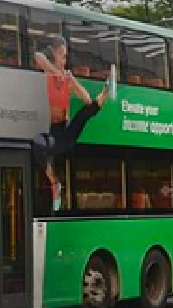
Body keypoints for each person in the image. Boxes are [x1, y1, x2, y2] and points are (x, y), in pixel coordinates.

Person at [33, 37, 117, 211]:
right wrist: (54, 72)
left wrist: (73, 82)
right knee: (38, 144)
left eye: (65, 57)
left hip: (66, 132)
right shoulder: (48, 72)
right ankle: (54, 183)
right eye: (61, 56)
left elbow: (86, 100)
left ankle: (106, 91)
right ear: (55, 53)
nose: (64, 61)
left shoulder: (67, 79)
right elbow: (37, 56)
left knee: (84, 114)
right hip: (53, 134)